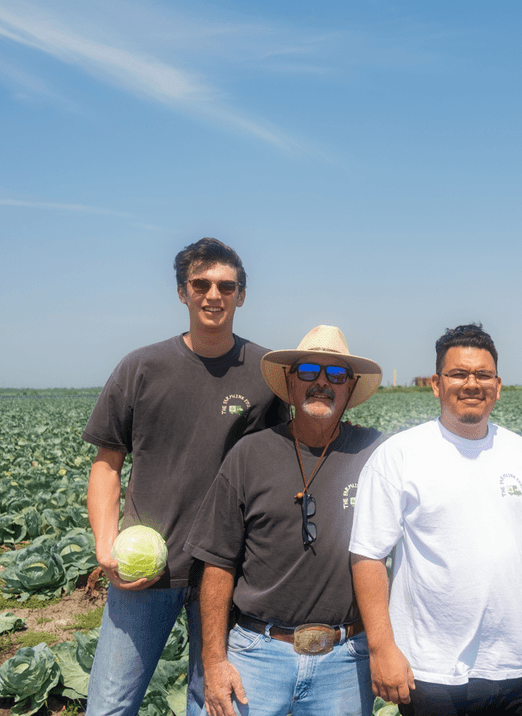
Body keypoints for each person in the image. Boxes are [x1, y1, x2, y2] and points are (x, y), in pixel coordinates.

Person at [82, 238, 284, 716]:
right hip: (148, 571)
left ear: (242, 295)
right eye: (201, 284)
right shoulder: (141, 367)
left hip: (229, 570)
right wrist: (105, 543)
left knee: (212, 700)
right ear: (182, 292)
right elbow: (107, 464)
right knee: (110, 703)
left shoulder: (267, 372)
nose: (213, 295)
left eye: (226, 286)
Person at [349, 324, 522, 716]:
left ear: (498, 384)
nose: (472, 383)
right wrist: (382, 648)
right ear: (436, 384)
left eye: (483, 374)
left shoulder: (520, 450)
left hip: (514, 664)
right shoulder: (401, 454)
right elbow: (368, 556)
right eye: (458, 374)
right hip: (430, 671)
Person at [185, 325, 384, 716]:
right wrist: (213, 661)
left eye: (336, 375)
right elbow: (217, 563)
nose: (322, 383)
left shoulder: (377, 453)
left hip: (345, 661)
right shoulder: (249, 454)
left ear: (350, 387)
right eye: (309, 371)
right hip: (257, 653)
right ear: (290, 383)